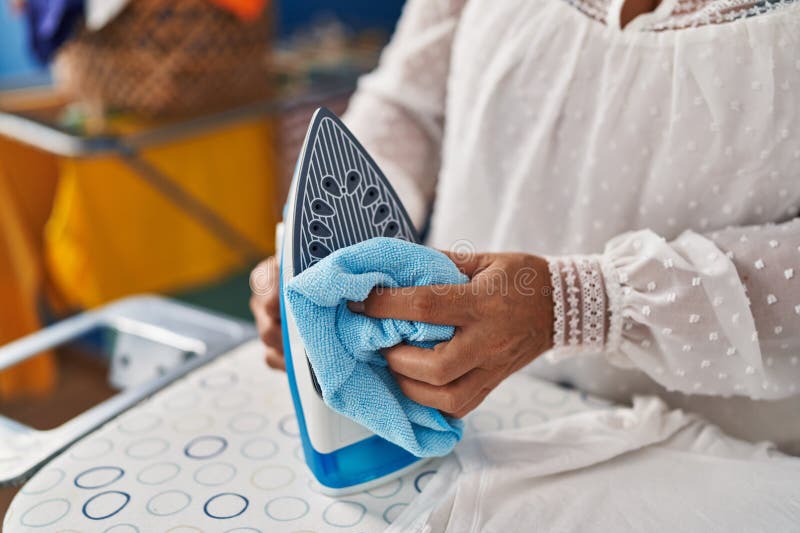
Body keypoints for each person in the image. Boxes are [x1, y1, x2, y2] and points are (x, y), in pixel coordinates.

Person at [252, 0, 800, 453]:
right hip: (474, 413)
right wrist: (329, 241)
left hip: (718, 455)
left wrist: (579, 302)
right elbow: (409, 102)